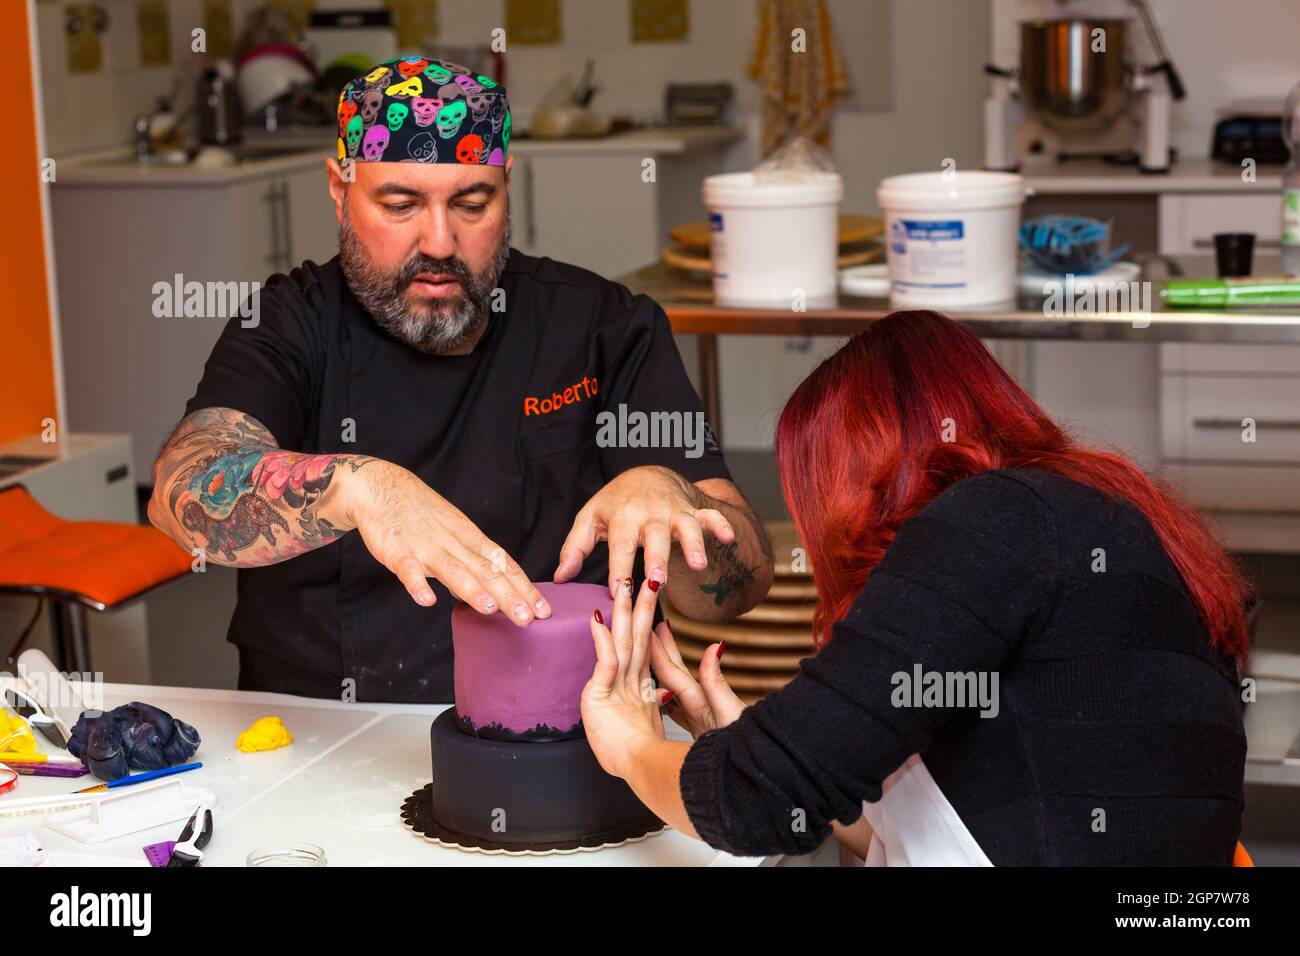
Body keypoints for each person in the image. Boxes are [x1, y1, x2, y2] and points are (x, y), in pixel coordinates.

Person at [147, 56, 772, 702]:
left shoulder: (602, 327)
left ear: (507, 187)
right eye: (401, 205)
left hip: (568, 722)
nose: (440, 243)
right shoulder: (288, 324)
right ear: (339, 188)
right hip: (322, 722)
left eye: (472, 205)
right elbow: (179, 491)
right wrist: (357, 488)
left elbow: (740, 588)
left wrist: (678, 500)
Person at [581, 310, 1250, 866]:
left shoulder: (996, 517)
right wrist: (749, 749)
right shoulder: (1102, 525)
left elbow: (761, 805)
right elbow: (986, 826)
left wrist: (633, 749)